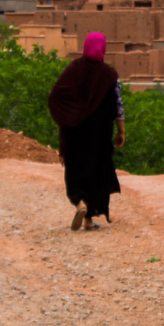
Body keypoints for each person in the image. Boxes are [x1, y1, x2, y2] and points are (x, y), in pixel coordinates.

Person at [47, 31, 125, 231]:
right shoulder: (109, 75)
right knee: (95, 172)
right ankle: (89, 219)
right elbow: (118, 105)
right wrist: (121, 131)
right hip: (99, 135)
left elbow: (56, 94)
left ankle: (79, 203)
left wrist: (67, 115)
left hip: (75, 133)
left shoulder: (74, 70)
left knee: (75, 169)